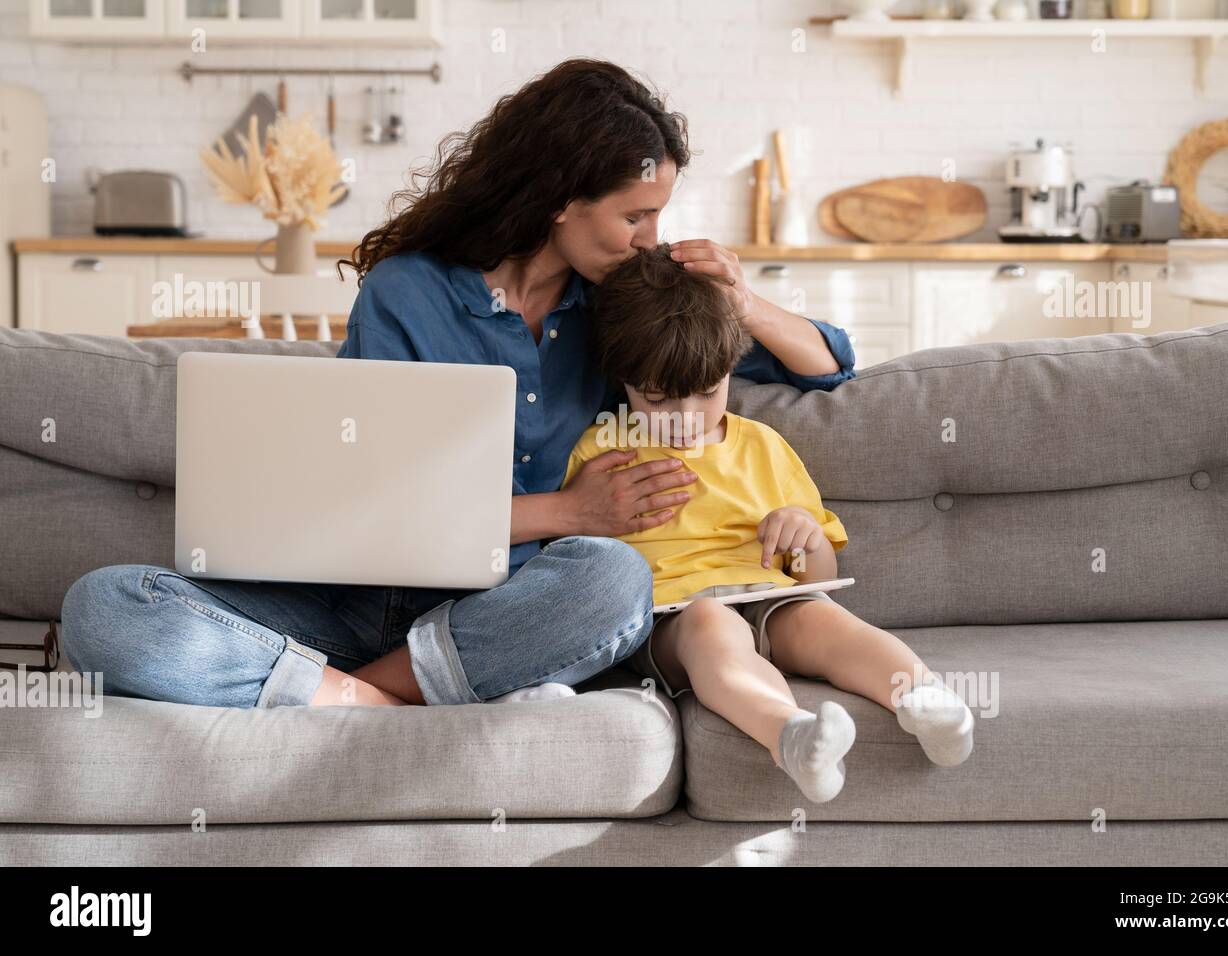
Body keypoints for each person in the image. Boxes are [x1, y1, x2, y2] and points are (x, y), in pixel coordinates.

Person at [60, 58, 856, 710]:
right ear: (559, 203)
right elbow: (371, 498)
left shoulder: (623, 301)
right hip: (347, 598)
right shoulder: (409, 293)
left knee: (615, 581)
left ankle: (343, 700)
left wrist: (741, 300)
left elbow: (824, 365)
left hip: (504, 611)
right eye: (635, 216)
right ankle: (380, 699)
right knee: (107, 607)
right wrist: (569, 510)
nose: (654, 238)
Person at [562, 244, 974, 803]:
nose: (686, 421)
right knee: (713, 625)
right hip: (675, 620)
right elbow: (575, 565)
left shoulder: (762, 446)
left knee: (823, 621)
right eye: (658, 400)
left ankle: (926, 701)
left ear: (730, 371)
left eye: (707, 394)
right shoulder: (600, 451)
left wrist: (803, 535)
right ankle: (791, 736)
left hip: (770, 594)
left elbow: (818, 573)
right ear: (623, 383)